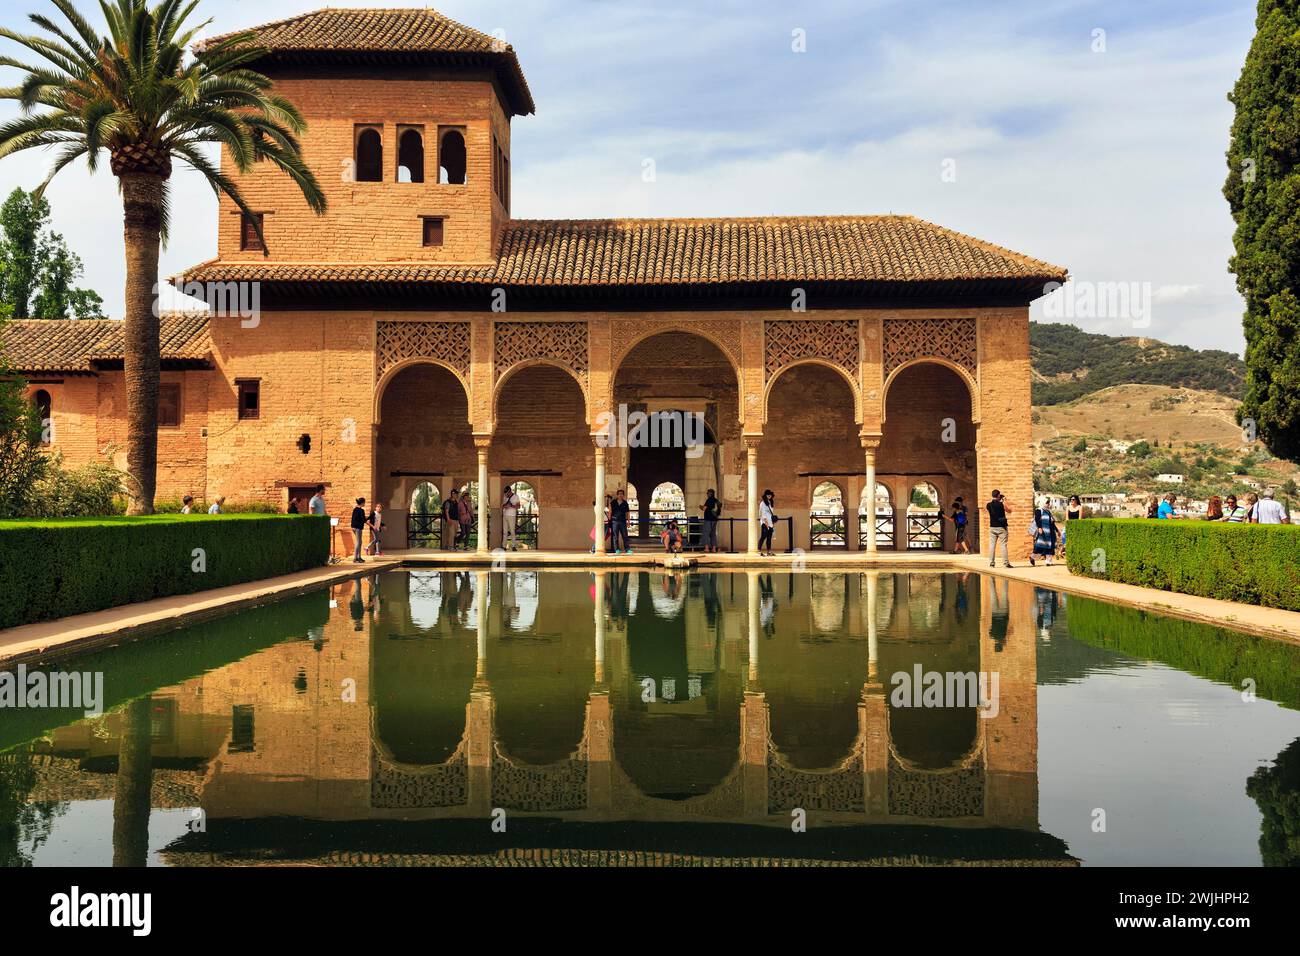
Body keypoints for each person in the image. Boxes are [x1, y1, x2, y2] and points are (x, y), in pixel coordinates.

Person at [985, 490, 1012, 568]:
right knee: (1003, 545)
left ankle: (991, 562)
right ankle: (1006, 563)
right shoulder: (1001, 504)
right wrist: (1004, 501)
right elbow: (1009, 510)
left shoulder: (988, 505)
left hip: (992, 527)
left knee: (992, 545)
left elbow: (993, 510)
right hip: (1001, 528)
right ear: (998, 495)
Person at [700, 488, 722, 553]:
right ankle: (714, 549)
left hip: (708, 519)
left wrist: (700, 506)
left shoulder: (709, 500)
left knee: (706, 533)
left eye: (707, 493)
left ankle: (706, 548)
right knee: (713, 534)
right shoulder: (716, 500)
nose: (707, 494)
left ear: (710, 494)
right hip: (715, 519)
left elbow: (704, 508)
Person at [610, 489, 631, 554]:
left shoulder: (625, 503)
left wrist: (628, 522)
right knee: (615, 536)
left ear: (623, 495)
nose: (620, 495)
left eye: (622, 494)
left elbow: (627, 513)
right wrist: (609, 520)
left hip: (623, 521)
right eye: (619, 494)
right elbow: (610, 511)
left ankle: (627, 549)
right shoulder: (613, 502)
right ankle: (617, 550)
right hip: (614, 521)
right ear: (617, 495)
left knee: (625, 536)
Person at [758, 489, 777, 556]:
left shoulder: (770, 503)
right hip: (764, 523)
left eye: (770, 495)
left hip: (770, 523)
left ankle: (769, 551)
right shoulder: (763, 503)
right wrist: (766, 523)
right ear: (765, 496)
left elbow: (771, 513)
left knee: (769, 537)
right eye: (768, 495)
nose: (769, 496)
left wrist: (772, 523)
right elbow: (763, 514)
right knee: (763, 537)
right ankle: (759, 551)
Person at [501, 485, 520, 550]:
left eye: (507, 493)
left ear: (510, 491)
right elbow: (502, 506)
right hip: (505, 515)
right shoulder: (505, 497)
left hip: (512, 515)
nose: (506, 494)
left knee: (512, 531)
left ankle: (513, 546)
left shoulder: (516, 496)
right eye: (505, 493)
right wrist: (505, 506)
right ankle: (504, 546)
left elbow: (518, 506)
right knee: (505, 532)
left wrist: (511, 505)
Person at [350, 497, 368, 563]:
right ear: (362, 503)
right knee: (358, 542)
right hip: (358, 528)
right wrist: (368, 519)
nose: (364, 504)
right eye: (364, 503)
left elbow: (356, 518)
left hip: (353, 527)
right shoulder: (361, 510)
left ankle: (359, 557)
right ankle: (356, 558)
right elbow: (364, 520)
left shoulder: (355, 509)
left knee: (359, 542)